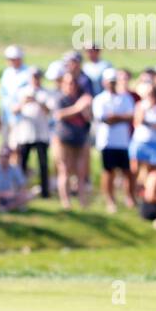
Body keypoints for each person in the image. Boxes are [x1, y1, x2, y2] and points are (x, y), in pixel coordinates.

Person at [93, 69, 137, 213]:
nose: (112, 85)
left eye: (114, 82)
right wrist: (120, 117)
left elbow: (130, 116)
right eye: (110, 82)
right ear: (104, 83)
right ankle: (110, 199)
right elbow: (105, 119)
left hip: (123, 141)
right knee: (108, 172)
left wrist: (115, 117)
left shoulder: (125, 98)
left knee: (127, 171)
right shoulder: (99, 99)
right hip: (107, 142)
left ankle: (129, 197)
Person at [52, 70, 92, 209]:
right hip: (64, 139)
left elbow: (89, 118)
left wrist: (86, 107)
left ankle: (82, 201)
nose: (71, 86)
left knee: (81, 172)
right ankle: (66, 201)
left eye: (74, 83)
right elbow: (59, 115)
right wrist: (78, 107)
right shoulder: (60, 98)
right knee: (64, 170)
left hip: (80, 139)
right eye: (68, 83)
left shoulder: (82, 98)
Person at [10, 67, 52, 198]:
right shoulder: (21, 92)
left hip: (41, 134)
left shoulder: (46, 93)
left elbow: (49, 111)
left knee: (43, 164)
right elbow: (14, 110)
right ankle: (20, 190)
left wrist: (38, 101)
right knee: (22, 164)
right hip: (25, 134)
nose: (36, 80)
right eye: (33, 77)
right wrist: (24, 102)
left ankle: (45, 192)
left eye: (38, 77)